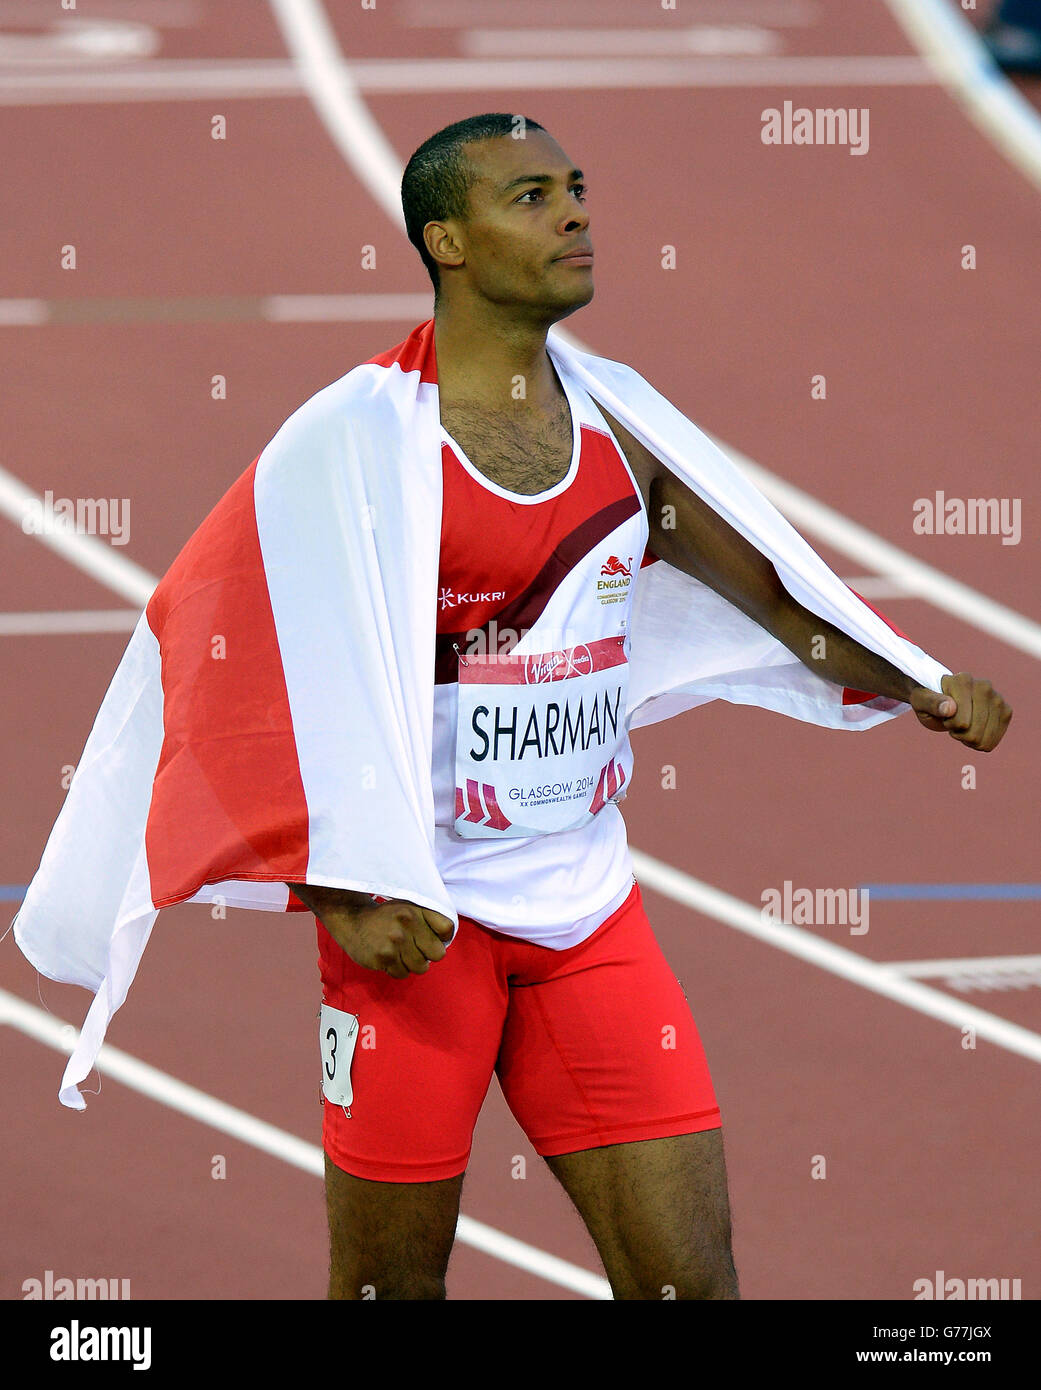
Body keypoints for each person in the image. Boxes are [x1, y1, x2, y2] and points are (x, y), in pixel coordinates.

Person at [281, 115, 1012, 1301]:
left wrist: (913, 678)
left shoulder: (620, 423)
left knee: (693, 1286)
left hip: (584, 910)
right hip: (415, 932)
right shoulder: (361, 445)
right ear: (448, 240)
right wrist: (338, 893)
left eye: (577, 187)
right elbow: (258, 676)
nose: (575, 213)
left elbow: (775, 595)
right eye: (531, 196)